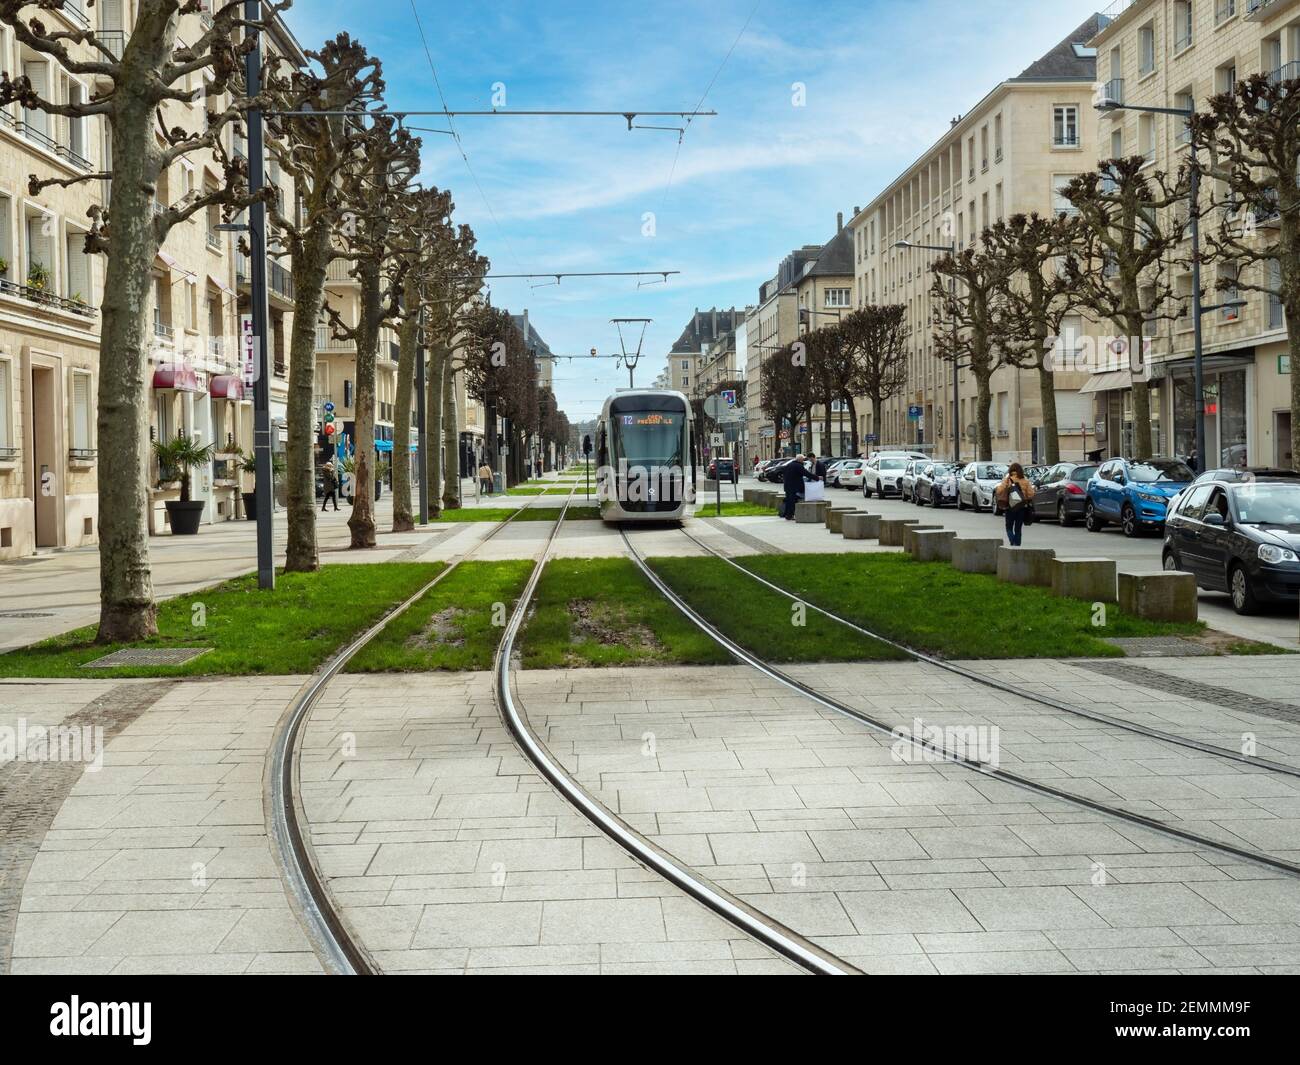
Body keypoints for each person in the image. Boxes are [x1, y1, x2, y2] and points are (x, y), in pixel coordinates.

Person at [996, 462, 1036, 546]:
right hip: (1021, 507)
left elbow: (999, 491)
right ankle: (1017, 545)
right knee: (1018, 528)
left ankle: (1012, 541)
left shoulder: (1007, 479)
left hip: (1010, 507)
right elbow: (1031, 494)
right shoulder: (1025, 480)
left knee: (1009, 527)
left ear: (1011, 470)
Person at [780, 453, 815, 520]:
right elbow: (806, 474)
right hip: (794, 487)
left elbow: (784, 474)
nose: (803, 461)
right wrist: (817, 478)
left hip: (787, 486)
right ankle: (790, 515)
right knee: (792, 501)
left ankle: (787, 515)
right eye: (803, 460)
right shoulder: (798, 466)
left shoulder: (789, 465)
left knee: (788, 500)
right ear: (800, 460)